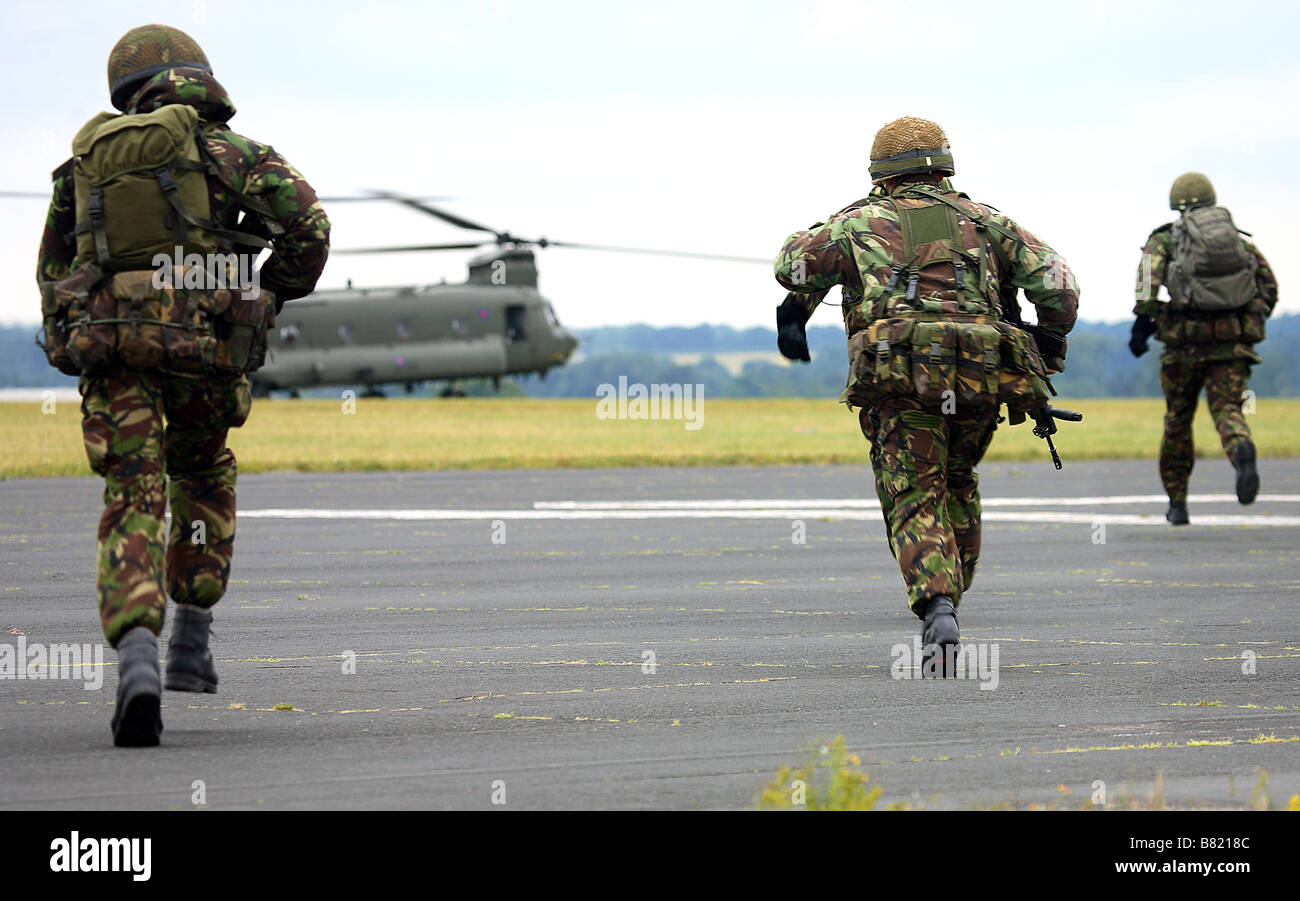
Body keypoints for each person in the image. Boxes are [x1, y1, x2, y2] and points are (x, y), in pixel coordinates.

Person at [36, 24, 330, 745]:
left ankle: (135, 650)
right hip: (203, 351)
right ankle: (190, 646)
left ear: (124, 90)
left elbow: (52, 275)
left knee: (132, 494)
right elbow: (309, 229)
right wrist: (260, 293)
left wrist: (81, 340)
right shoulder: (231, 153)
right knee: (200, 475)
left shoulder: (82, 166)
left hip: (118, 357)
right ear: (198, 77)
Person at [773, 116, 1078, 671]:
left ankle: (937, 602)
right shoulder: (986, 222)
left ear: (880, 174)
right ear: (946, 167)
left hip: (900, 385)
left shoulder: (860, 222)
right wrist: (1050, 339)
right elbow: (1058, 283)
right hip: (979, 381)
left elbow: (792, 264)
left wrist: (827, 264)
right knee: (958, 478)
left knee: (914, 489)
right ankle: (952, 588)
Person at [1130, 172, 1277, 525]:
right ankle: (1240, 448)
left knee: (1178, 420)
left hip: (1182, 347)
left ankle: (1177, 503)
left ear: (1176, 203)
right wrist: (1241, 323)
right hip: (1230, 348)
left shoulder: (1164, 240)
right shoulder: (1239, 243)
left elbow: (1145, 287)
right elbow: (1268, 287)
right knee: (1228, 409)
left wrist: (1143, 325)